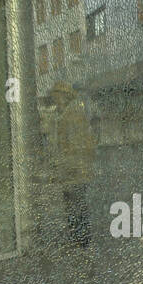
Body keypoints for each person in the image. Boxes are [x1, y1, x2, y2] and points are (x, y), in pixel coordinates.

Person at [50, 81, 95, 247]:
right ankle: (77, 237)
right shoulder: (62, 114)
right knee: (72, 204)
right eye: (55, 95)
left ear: (65, 96)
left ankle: (82, 239)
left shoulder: (73, 114)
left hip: (76, 170)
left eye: (58, 94)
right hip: (70, 169)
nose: (55, 98)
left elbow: (80, 144)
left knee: (77, 204)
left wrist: (73, 166)